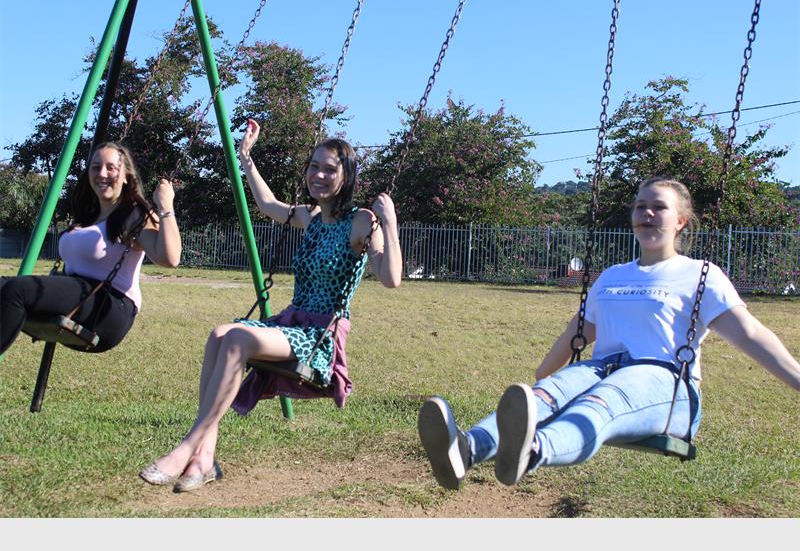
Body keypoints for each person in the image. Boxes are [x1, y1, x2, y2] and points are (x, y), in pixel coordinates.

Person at [418, 176, 800, 490]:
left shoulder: (700, 275)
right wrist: (542, 383)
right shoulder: (612, 276)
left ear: (680, 221)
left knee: (600, 402)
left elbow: (750, 333)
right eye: (640, 206)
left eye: (659, 207)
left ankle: (533, 450)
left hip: (665, 383)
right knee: (547, 395)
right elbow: (577, 331)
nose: (647, 213)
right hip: (602, 366)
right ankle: (467, 448)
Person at [139, 118, 403, 493]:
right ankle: (205, 457)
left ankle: (187, 447)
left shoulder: (361, 220)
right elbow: (267, 204)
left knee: (237, 340)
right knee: (220, 334)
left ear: (347, 176)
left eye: (330, 169)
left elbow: (391, 277)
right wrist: (246, 155)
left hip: (319, 336)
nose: (319, 175)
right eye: (314, 166)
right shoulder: (310, 217)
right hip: (291, 323)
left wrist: (389, 224)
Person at [1, 142, 181, 356]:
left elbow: (170, 259)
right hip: (77, 292)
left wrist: (166, 206)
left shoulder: (132, 215)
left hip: (109, 308)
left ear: (126, 176)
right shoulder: (87, 215)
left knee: (18, 290)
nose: (102, 173)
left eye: (111, 167)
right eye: (95, 167)